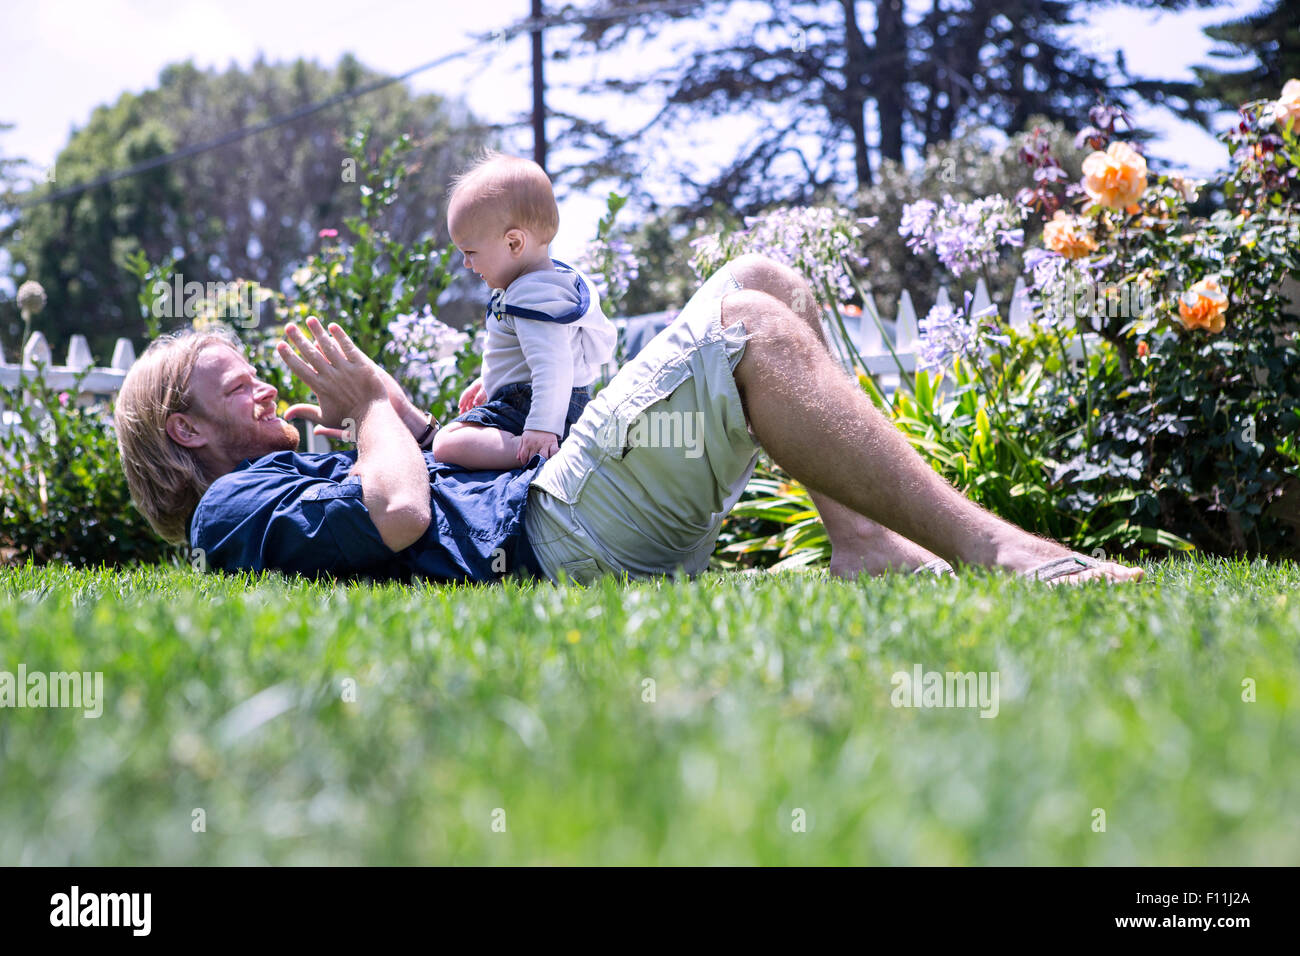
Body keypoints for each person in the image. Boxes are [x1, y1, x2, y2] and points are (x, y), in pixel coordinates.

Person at [114, 253, 1142, 586]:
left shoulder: (280, 479)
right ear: (188, 433)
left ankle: (865, 541)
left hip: (548, 506)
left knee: (760, 275)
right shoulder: (232, 509)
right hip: (553, 538)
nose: (260, 388)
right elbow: (396, 515)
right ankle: (1001, 551)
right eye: (232, 383)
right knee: (744, 320)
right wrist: (379, 409)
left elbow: (419, 472)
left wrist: (413, 415)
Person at [432, 151, 616, 469]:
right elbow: (527, 358)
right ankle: (535, 443)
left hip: (537, 407)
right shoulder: (545, 285)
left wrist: (541, 427)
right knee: (458, 435)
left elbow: (553, 365)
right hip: (549, 402)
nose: (466, 263)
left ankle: (527, 450)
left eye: (470, 251)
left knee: (446, 442)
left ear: (514, 243)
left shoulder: (531, 293)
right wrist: (491, 381)